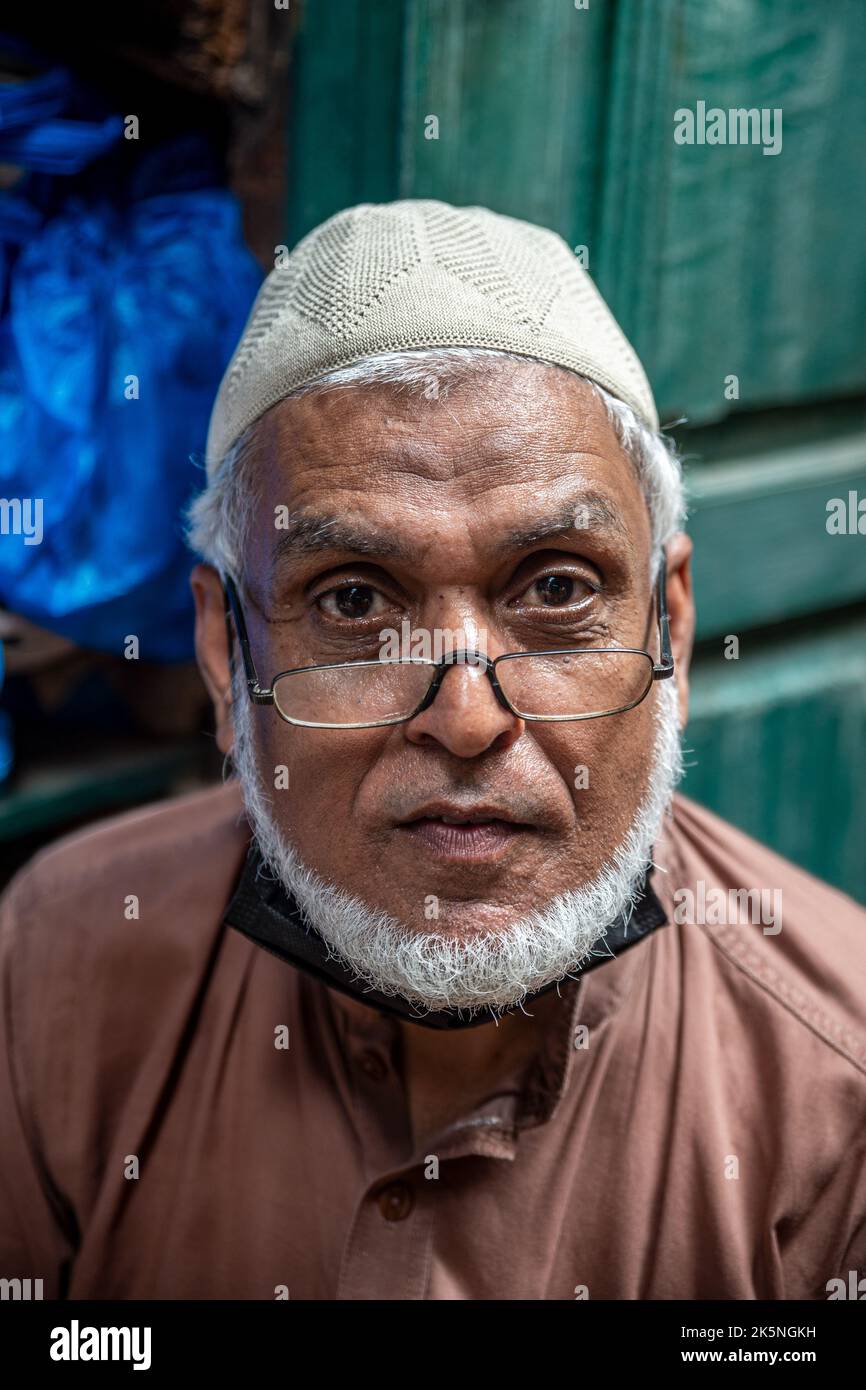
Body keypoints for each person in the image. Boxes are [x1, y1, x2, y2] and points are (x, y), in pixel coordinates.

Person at [1, 200, 864, 1300]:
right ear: (226, 656)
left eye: (555, 588)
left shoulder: (840, 1093)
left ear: (670, 630)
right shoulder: (58, 960)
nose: (465, 719)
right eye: (354, 598)